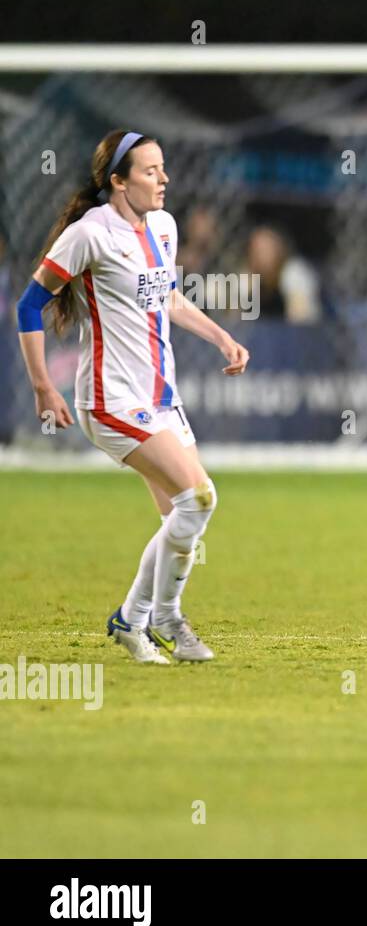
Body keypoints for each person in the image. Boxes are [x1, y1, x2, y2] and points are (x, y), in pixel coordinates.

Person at [14, 129, 250, 664]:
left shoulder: (163, 227)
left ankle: (164, 619)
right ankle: (134, 618)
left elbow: (165, 297)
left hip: (160, 398)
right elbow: (30, 305)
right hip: (110, 399)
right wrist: (42, 385)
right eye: (150, 171)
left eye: (163, 168)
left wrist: (222, 337)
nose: (164, 179)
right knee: (200, 498)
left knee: (184, 518)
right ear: (118, 182)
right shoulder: (89, 233)